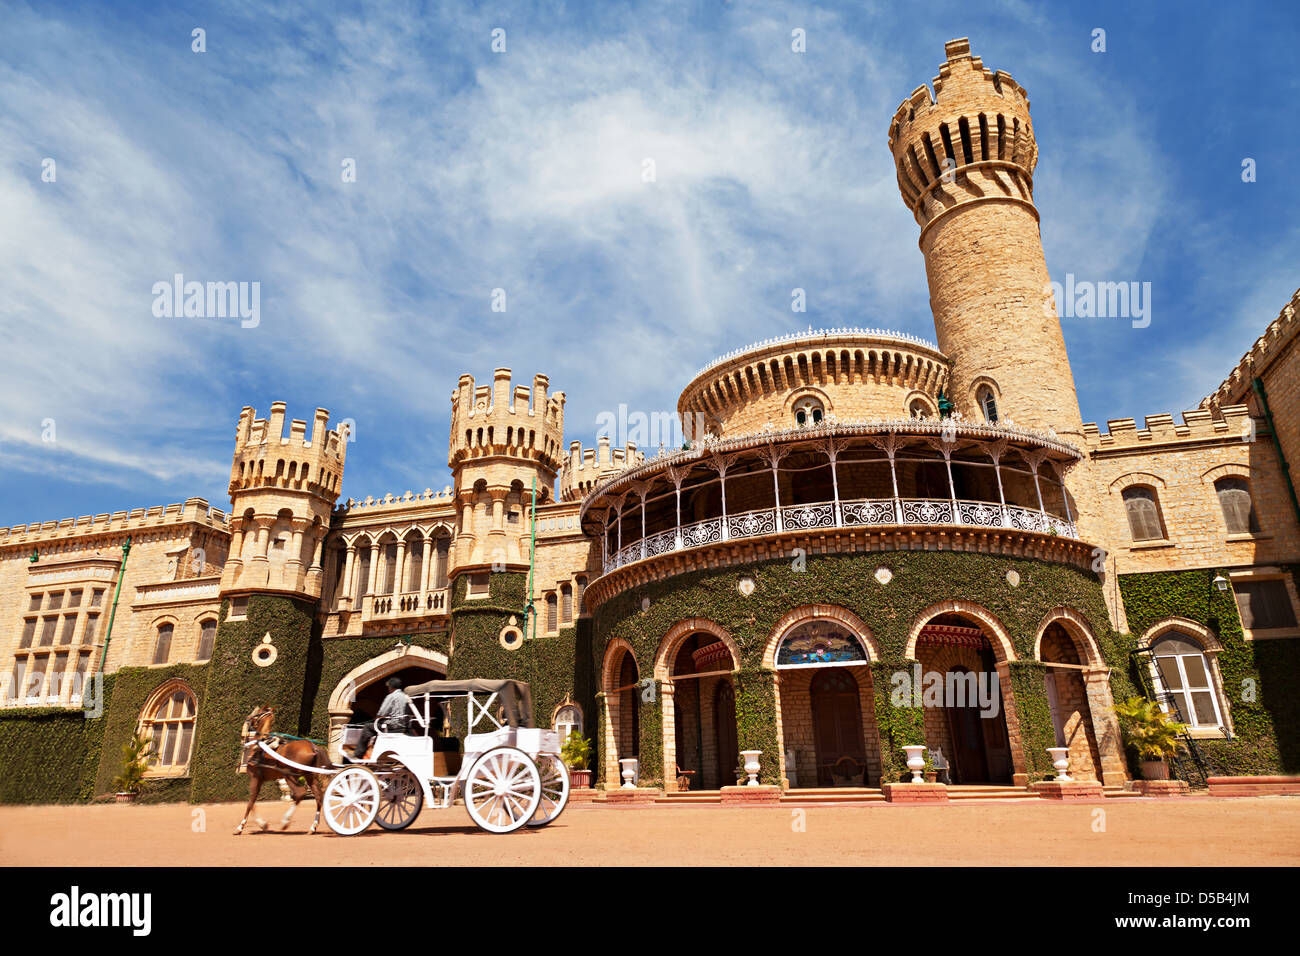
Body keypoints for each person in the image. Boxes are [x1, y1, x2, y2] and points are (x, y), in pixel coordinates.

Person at [348, 677, 410, 761]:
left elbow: (382, 713)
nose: (388, 689)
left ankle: (358, 753)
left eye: (389, 687)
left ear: (391, 687)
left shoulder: (392, 696)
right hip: (402, 726)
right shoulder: (405, 697)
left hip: (393, 725)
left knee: (368, 727)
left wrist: (377, 717)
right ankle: (372, 750)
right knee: (376, 727)